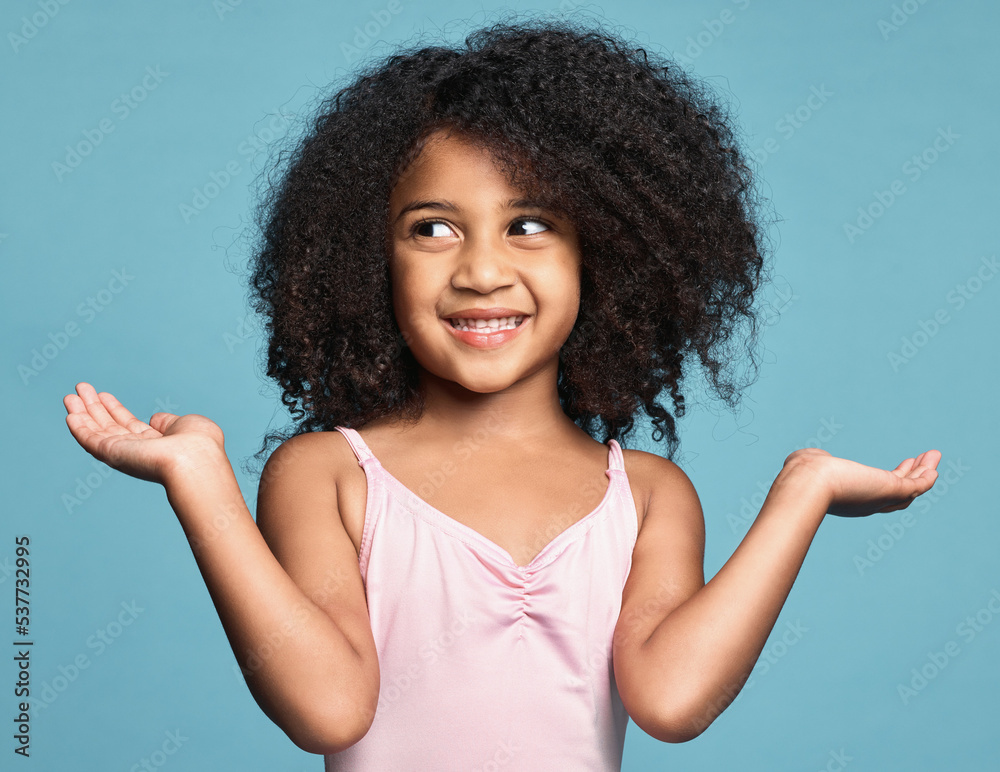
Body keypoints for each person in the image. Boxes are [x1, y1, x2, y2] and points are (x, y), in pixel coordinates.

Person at [63, 15, 940, 771]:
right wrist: (200, 480)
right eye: (433, 228)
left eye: (530, 226)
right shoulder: (328, 474)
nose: (483, 270)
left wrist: (803, 492)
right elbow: (327, 710)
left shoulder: (647, 496)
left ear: (606, 256)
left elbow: (672, 703)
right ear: (370, 259)